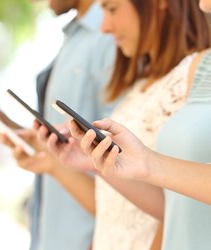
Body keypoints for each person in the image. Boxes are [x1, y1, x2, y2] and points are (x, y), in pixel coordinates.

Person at [35, 0, 211, 249]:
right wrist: (94, 162)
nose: (104, 27)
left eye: (112, 9)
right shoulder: (139, 85)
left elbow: (175, 210)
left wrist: (148, 163)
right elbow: (132, 208)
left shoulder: (195, 75)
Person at [0, 1, 115, 249]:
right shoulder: (74, 37)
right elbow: (57, 150)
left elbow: (124, 164)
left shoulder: (112, 36)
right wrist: (0, 121)